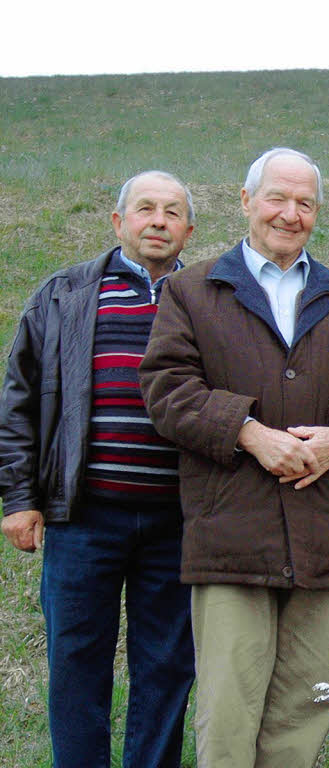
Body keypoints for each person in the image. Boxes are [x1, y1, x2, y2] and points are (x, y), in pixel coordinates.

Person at [138, 147, 329, 768]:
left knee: (302, 709)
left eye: (305, 203)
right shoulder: (192, 291)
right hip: (232, 532)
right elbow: (167, 387)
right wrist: (249, 432)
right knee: (229, 708)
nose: (290, 214)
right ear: (246, 202)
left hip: (323, 529)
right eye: (277, 199)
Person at [0, 171, 196, 767]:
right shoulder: (64, 292)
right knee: (76, 663)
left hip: (180, 521)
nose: (157, 221)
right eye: (144, 209)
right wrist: (18, 498)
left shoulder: (210, 297)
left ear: (190, 229)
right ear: (119, 222)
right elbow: (19, 398)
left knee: (166, 667)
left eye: (171, 212)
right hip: (81, 516)